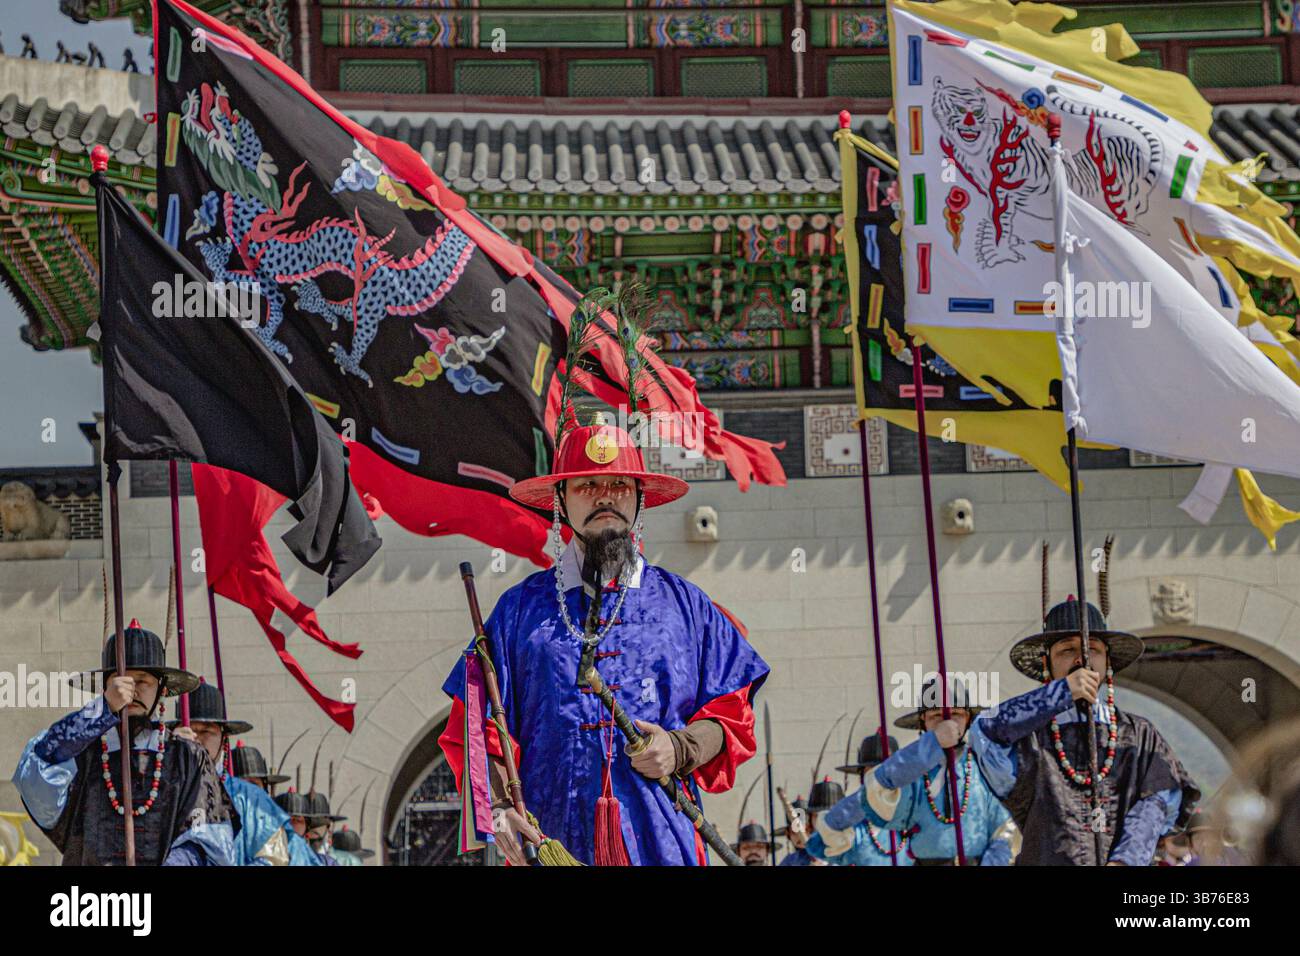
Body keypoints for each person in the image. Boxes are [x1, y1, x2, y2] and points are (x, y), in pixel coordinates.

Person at [439, 422, 769, 866]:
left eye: (618, 484)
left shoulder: (686, 606)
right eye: (587, 485)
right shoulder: (518, 612)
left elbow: (733, 718)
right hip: (551, 837)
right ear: (561, 501)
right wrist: (498, 805)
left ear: (638, 497)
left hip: (662, 836)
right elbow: (477, 725)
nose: (604, 496)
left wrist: (681, 747)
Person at [968, 585, 1200, 866]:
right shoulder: (1027, 738)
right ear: (1047, 662)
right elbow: (984, 732)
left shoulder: (1139, 734)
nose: (1081, 659)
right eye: (1067, 650)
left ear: (1107, 661)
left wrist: (1125, 860)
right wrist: (1061, 693)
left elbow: (1161, 797)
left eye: (1092, 650)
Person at [12, 620, 235, 865]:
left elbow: (208, 837)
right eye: (121, 680)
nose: (132, 691)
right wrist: (102, 710)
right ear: (106, 687)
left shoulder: (189, 756)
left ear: (160, 690)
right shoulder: (84, 751)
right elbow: (36, 771)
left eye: (142, 681)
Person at [816, 679, 1018, 866]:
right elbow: (875, 793)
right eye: (935, 716)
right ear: (923, 722)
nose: (946, 723)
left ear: (968, 718)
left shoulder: (984, 768)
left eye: (955, 714)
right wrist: (931, 746)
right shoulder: (910, 775)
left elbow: (1005, 829)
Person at [169, 681, 320, 866]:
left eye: (207, 731)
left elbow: (275, 858)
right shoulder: (162, 787)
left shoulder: (251, 799)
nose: (198, 739)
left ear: (224, 739)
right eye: (192, 730)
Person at [805, 732, 914, 866]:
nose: (881, 782)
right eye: (874, 774)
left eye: (887, 774)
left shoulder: (912, 817)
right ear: (863, 778)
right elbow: (815, 845)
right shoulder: (853, 826)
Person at [781, 778, 842, 866]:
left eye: (830, 814)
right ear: (810, 820)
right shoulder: (793, 862)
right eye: (817, 816)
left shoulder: (858, 846)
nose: (824, 821)